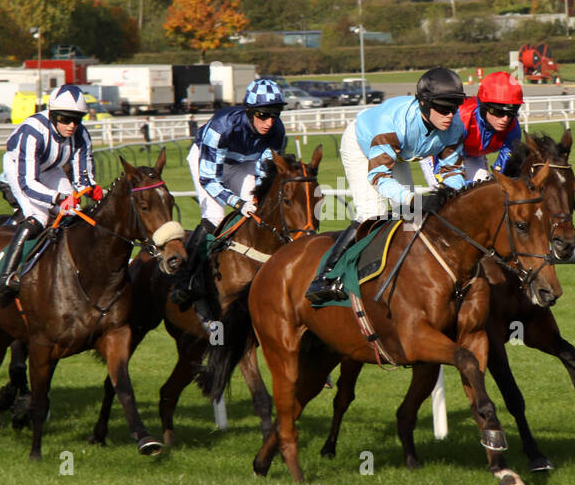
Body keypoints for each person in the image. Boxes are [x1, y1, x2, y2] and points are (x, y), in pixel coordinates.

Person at [305, 67, 467, 306]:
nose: (450, 115)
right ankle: (325, 277)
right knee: (373, 213)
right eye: (443, 108)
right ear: (423, 104)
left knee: (411, 216)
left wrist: (446, 196)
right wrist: (414, 199)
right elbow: (379, 177)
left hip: (399, 153)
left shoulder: (455, 128)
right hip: (363, 145)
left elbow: (452, 172)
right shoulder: (392, 123)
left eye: (454, 108)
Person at [172, 78, 288, 308]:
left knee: (257, 210)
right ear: (250, 111)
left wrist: (252, 199)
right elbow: (209, 179)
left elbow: (265, 173)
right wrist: (236, 202)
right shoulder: (222, 127)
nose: (269, 122)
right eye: (263, 115)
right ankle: (186, 281)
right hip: (207, 161)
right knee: (215, 216)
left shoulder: (277, 132)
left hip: (244, 163)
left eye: (275, 114)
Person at [0, 84, 99, 298]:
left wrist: (90, 188)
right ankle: (5, 276)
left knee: (72, 212)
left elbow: (82, 172)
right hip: (19, 170)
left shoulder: (81, 134)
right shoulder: (32, 131)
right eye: (65, 119)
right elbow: (28, 182)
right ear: (53, 115)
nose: (71, 126)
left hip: (50, 168)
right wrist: (58, 197)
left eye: (77, 119)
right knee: (39, 215)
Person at [420, 70, 523, 187]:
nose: (505, 119)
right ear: (484, 107)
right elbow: (444, 165)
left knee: (485, 193)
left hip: (472, 154)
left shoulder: (513, 128)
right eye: (498, 111)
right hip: (435, 151)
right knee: (446, 194)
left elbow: (502, 167)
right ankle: (408, 204)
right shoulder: (462, 119)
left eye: (512, 112)